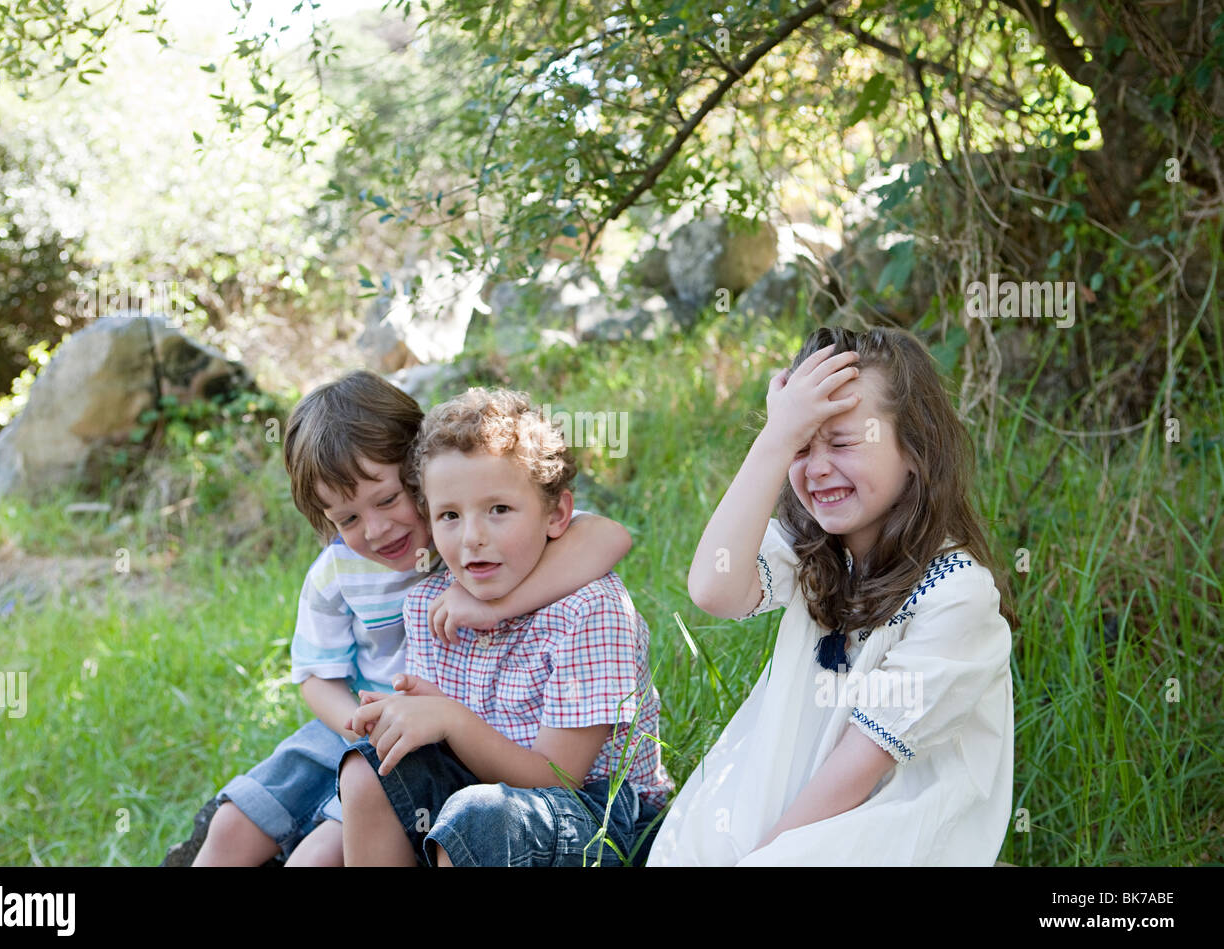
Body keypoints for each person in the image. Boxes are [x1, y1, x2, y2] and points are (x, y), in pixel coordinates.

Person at [192, 370, 634, 866]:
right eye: (348, 519)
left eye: (387, 500)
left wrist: (493, 606)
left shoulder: (488, 552)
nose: (378, 529)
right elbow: (318, 678)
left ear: (414, 477)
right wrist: (366, 727)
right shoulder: (388, 584)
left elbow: (608, 537)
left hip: (510, 767)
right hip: (369, 725)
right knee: (253, 823)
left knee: (355, 842)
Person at [648, 326, 1017, 866]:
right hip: (789, 795)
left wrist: (763, 858)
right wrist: (774, 438)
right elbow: (712, 588)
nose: (816, 467)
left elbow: (860, 767)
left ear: (915, 450)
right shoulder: (814, 549)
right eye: (801, 446)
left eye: (843, 443)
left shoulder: (957, 594)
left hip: (884, 824)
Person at [335, 386, 673, 866]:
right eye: (450, 515)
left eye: (499, 510)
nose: (472, 538)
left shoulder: (590, 611)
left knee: (479, 817)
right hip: (486, 798)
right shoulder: (430, 603)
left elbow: (558, 777)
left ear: (556, 514)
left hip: (605, 820)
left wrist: (449, 719)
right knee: (368, 769)